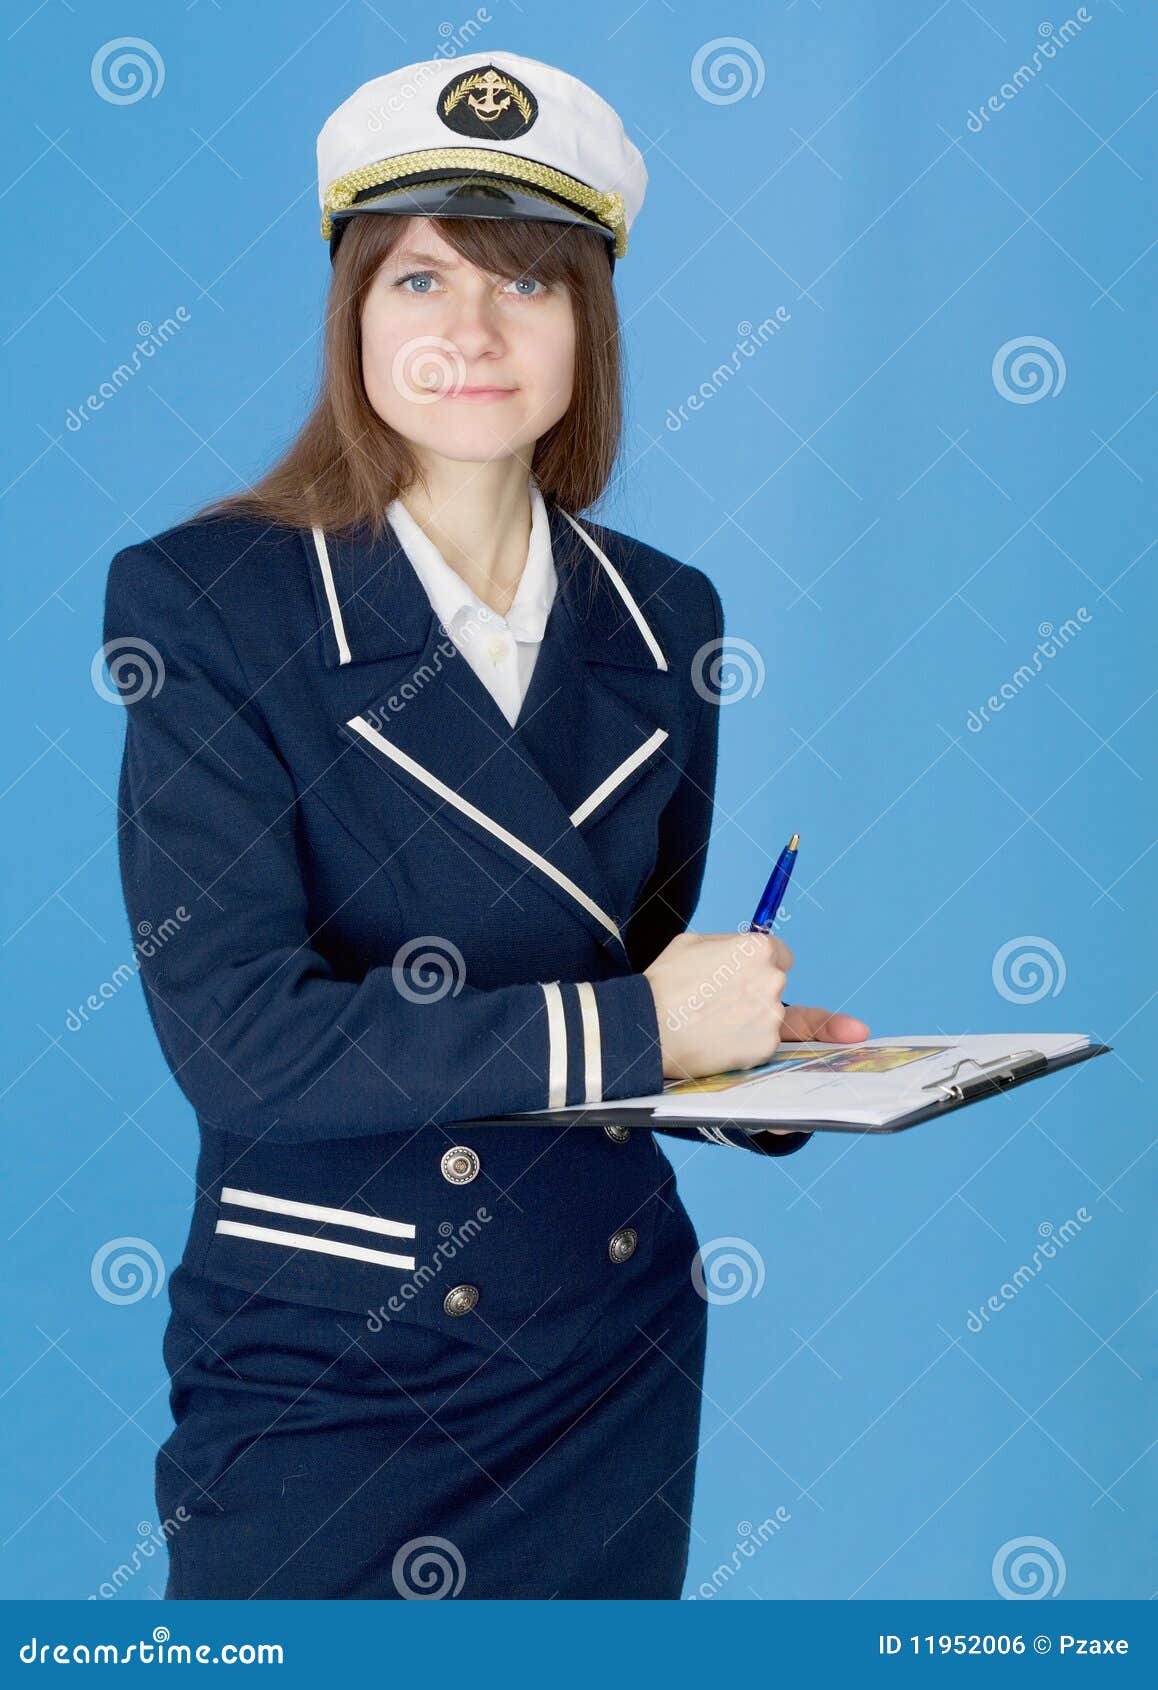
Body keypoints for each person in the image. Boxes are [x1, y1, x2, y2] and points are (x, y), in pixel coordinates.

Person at [103, 50, 869, 1600]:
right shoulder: (210, 601)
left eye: (526, 285)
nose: (467, 332)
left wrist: (758, 1062)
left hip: (605, 1334)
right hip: (337, 1357)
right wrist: (647, 1026)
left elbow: (617, 977)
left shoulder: (666, 616)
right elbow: (238, 1036)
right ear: (352, 316)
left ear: (589, 323)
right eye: (418, 281)